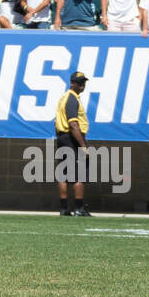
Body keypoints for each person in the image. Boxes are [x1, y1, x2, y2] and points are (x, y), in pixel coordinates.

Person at [54, 70, 91, 216]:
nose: (82, 85)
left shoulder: (65, 97)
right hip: (72, 138)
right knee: (79, 175)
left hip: (63, 138)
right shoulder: (71, 98)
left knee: (64, 174)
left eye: (84, 82)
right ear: (72, 83)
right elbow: (74, 124)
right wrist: (83, 145)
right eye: (79, 82)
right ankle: (79, 208)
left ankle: (64, 209)